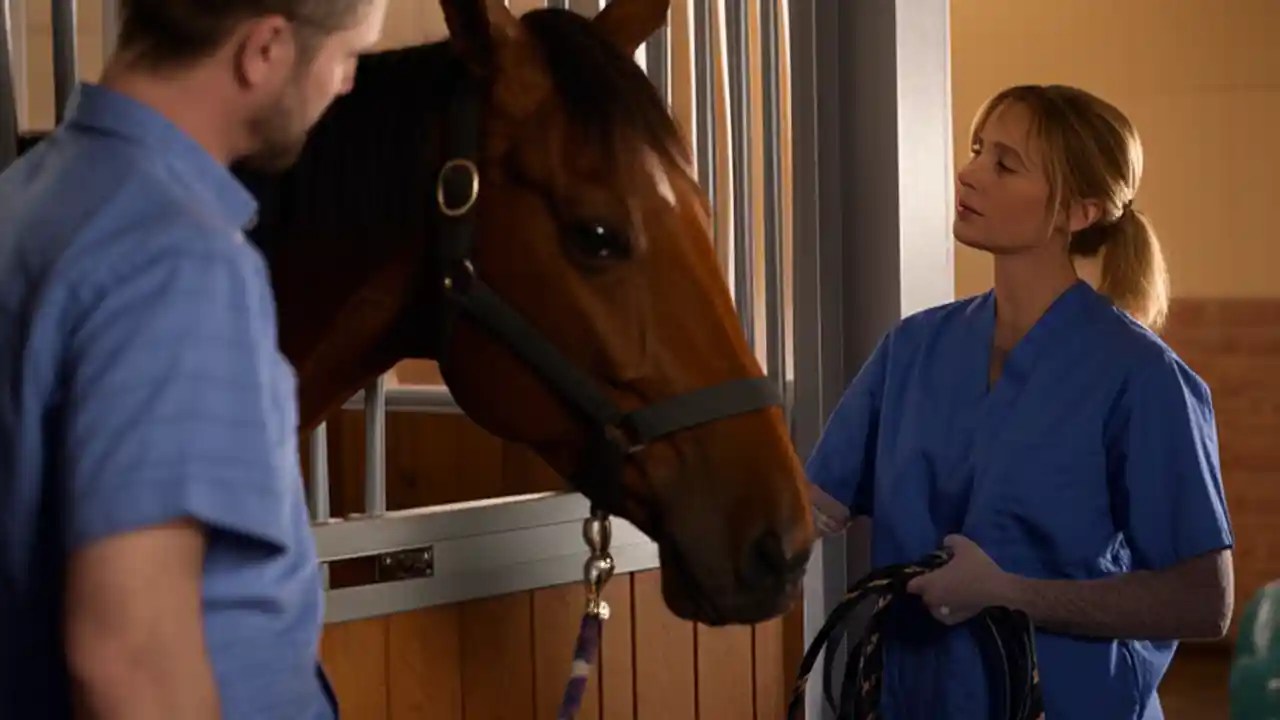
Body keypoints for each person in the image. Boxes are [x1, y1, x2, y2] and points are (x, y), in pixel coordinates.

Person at [0, 1, 386, 718]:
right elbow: (131, 659)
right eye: (348, 54)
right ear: (265, 50)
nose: (345, 83)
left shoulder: (26, 201)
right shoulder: (179, 260)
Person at [806, 84, 1235, 719]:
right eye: (978, 150)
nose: (969, 172)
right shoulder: (914, 347)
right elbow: (813, 505)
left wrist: (1009, 593)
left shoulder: (1142, 378)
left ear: (1080, 212)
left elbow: (1205, 601)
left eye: (1004, 164)